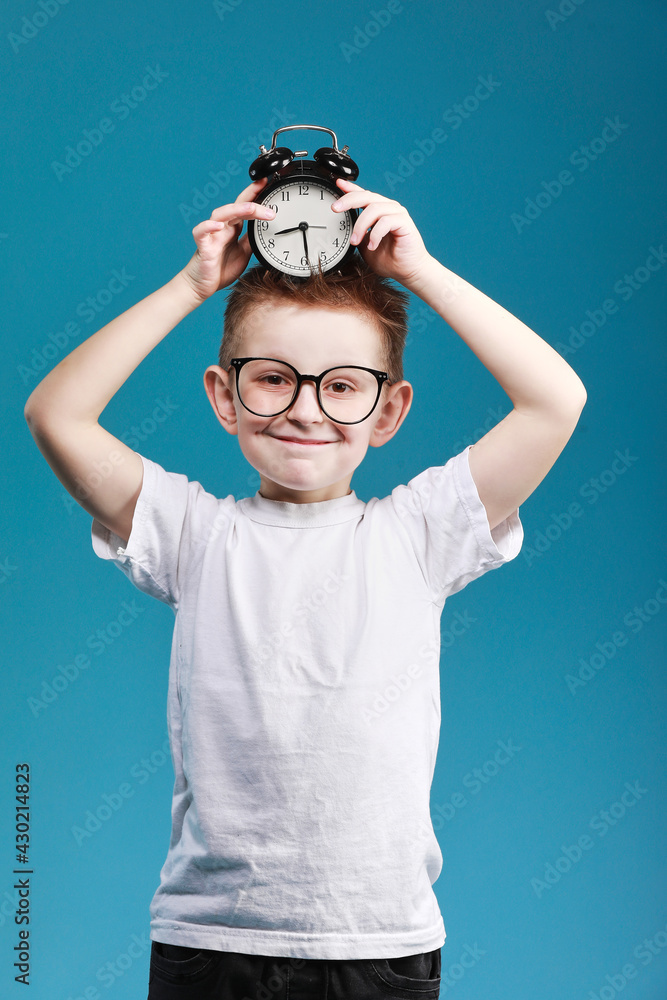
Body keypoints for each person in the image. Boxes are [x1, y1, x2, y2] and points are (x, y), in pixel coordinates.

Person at [24, 173, 586, 1000]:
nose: (305, 409)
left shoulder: (417, 534)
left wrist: (419, 273)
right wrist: (192, 285)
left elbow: (554, 400)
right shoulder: (194, 534)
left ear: (388, 412)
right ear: (225, 395)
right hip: (211, 937)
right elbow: (56, 414)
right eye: (273, 377)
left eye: (343, 385)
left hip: (379, 940)